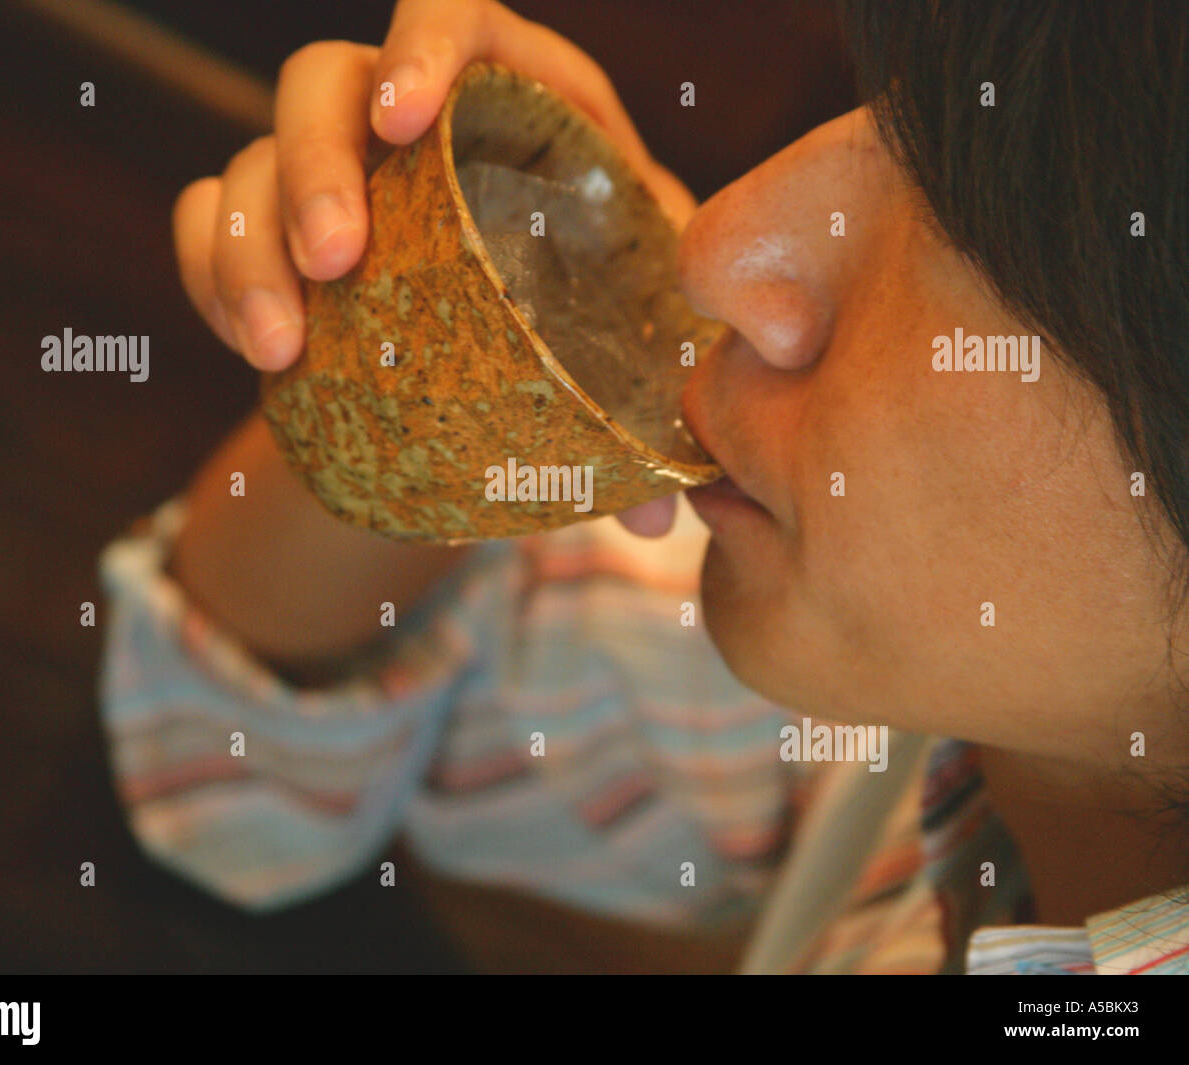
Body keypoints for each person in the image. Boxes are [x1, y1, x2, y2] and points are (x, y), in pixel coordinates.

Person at [98, 0, 1189, 973]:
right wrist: (441, 328)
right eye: (885, 108)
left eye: (977, 217)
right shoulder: (945, 725)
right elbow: (231, 787)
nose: (714, 244)